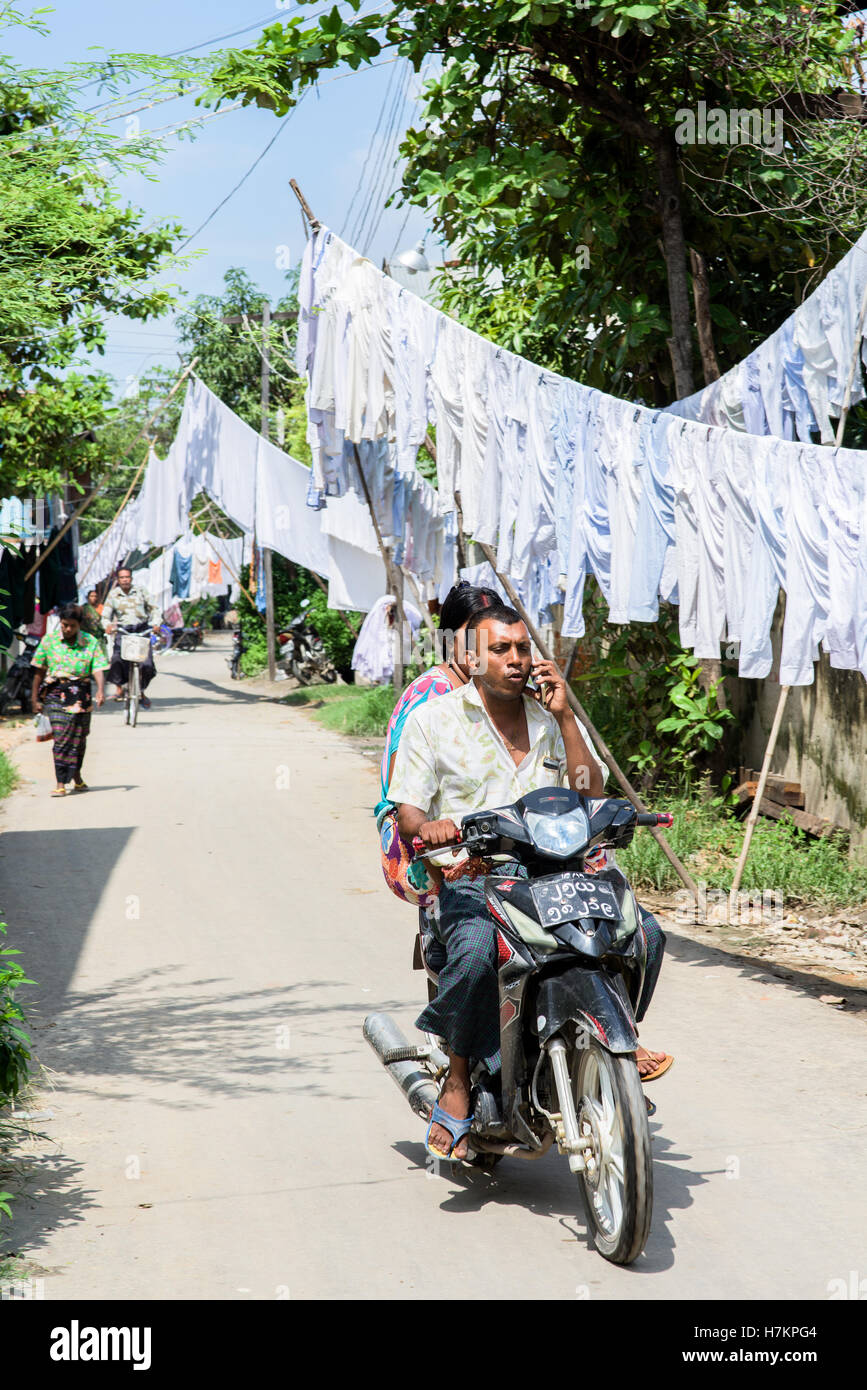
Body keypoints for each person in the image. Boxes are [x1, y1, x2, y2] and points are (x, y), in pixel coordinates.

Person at [388, 603, 668, 1161]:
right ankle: (460, 1079)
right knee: (473, 955)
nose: (516, 660)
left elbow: (591, 793)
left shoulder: (549, 719)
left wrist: (566, 717)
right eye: (500, 649)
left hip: (554, 870)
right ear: (470, 657)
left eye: (522, 648)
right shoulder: (434, 720)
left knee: (645, 935)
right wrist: (434, 828)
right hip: (475, 874)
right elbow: (407, 810)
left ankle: (616, 1035)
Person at [376, 581, 502, 905]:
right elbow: (398, 791)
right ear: (448, 637)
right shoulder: (433, 694)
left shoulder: (492, 688)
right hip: (415, 846)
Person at [31, 602, 107, 797]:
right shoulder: (49, 641)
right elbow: (39, 671)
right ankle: (60, 782)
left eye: (72, 625)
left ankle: (77, 776)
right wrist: (34, 699)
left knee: (79, 740)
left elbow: (97, 668)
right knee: (62, 737)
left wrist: (100, 690)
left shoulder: (90, 642)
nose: (68, 629)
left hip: (82, 695)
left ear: (79, 625)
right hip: (56, 693)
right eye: (65, 625)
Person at [101, 566, 160, 708]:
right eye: (122, 577)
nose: (125, 580)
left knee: (147, 665)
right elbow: (105, 616)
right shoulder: (114, 594)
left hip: (142, 630)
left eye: (127, 577)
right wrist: (108, 626)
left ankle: (141, 691)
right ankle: (119, 689)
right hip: (123, 631)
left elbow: (154, 609)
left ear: (131, 578)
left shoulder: (141, 591)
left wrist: (156, 624)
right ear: (118, 579)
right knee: (116, 660)